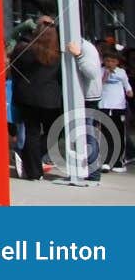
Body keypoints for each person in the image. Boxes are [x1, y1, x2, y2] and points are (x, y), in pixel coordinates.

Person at [10, 21, 62, 181]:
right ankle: (31, 160)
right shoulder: (57, 54)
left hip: (27, 97)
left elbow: (14, 71)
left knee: (31, 132)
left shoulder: (23, 50)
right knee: (55, 131)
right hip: (49, 98)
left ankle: (33, 169)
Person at [65, 36, 105, 183]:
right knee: (85, 133)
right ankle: (86, 170)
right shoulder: (85, 46)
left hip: (88, 97)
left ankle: (93, 172)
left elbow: (91, 73)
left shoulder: (86, 49)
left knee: (88, 134)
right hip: (85, 96)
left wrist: (79, 55)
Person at [100, 51, 130, 172]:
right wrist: (105, 75)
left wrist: (129, 91)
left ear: (117, 62)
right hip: (105, 105)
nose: (110, 63)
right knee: (106, 132)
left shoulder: (121, 72)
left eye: (113, 61)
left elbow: (127, 86)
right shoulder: (101, 71)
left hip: (118, 107)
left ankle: (118, 162)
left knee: (119, 133)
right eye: (107, 61)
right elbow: (98, 85)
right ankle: (106, 160)